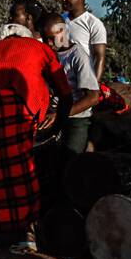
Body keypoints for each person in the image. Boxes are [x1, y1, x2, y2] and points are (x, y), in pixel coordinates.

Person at [0, 29, 72, 251]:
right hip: (17, 102)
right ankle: (25, 231)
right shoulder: (42, 49)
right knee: (20, 165)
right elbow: (65, 93)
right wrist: (57, 127)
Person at [39, 12, 99, 155]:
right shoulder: (48, 54)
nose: (49, 43)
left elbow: (93, 97)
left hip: (76, 119)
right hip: (54, 117)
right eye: (45, 39)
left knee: (71, 159)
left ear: (64, 31)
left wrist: (60, 114)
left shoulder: (78, 56)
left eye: (52, 39)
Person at [56, 0, 107, 83]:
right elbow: (60, 50)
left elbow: (99, 56)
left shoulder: (93, 23)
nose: (63, 0)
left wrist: (93, 86)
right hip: (63, 80)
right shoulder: (60, 20)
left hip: (83, 79)